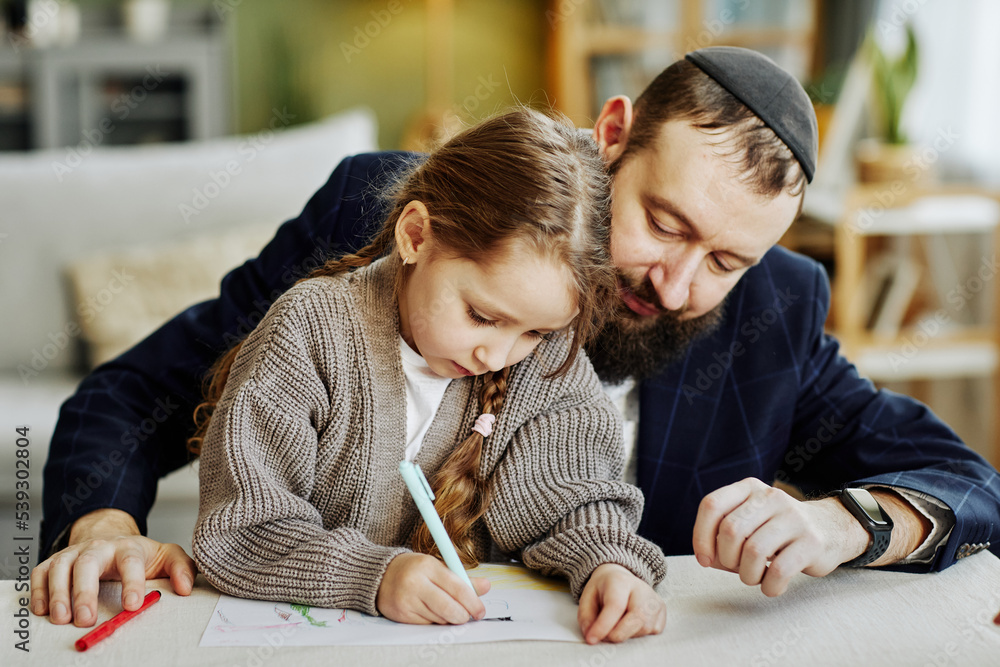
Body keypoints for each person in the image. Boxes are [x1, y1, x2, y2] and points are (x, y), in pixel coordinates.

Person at [33, 47, 1000, 628]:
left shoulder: (775, 310)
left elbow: (965, 480)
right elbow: (136, 393)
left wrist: (844, 522)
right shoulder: (410, 222)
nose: (675, 284)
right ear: (612, 133)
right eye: (663, 223)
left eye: (726, 260)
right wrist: (103, 526)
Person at [187, 107, 666, 640]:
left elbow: (572, 495)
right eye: (482, 316)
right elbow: (240, 531)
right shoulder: (311, 332)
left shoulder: (544, 361)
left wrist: (608, 563)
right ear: (415, 235)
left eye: (534, 333)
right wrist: (374, 576)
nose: (498, 355)